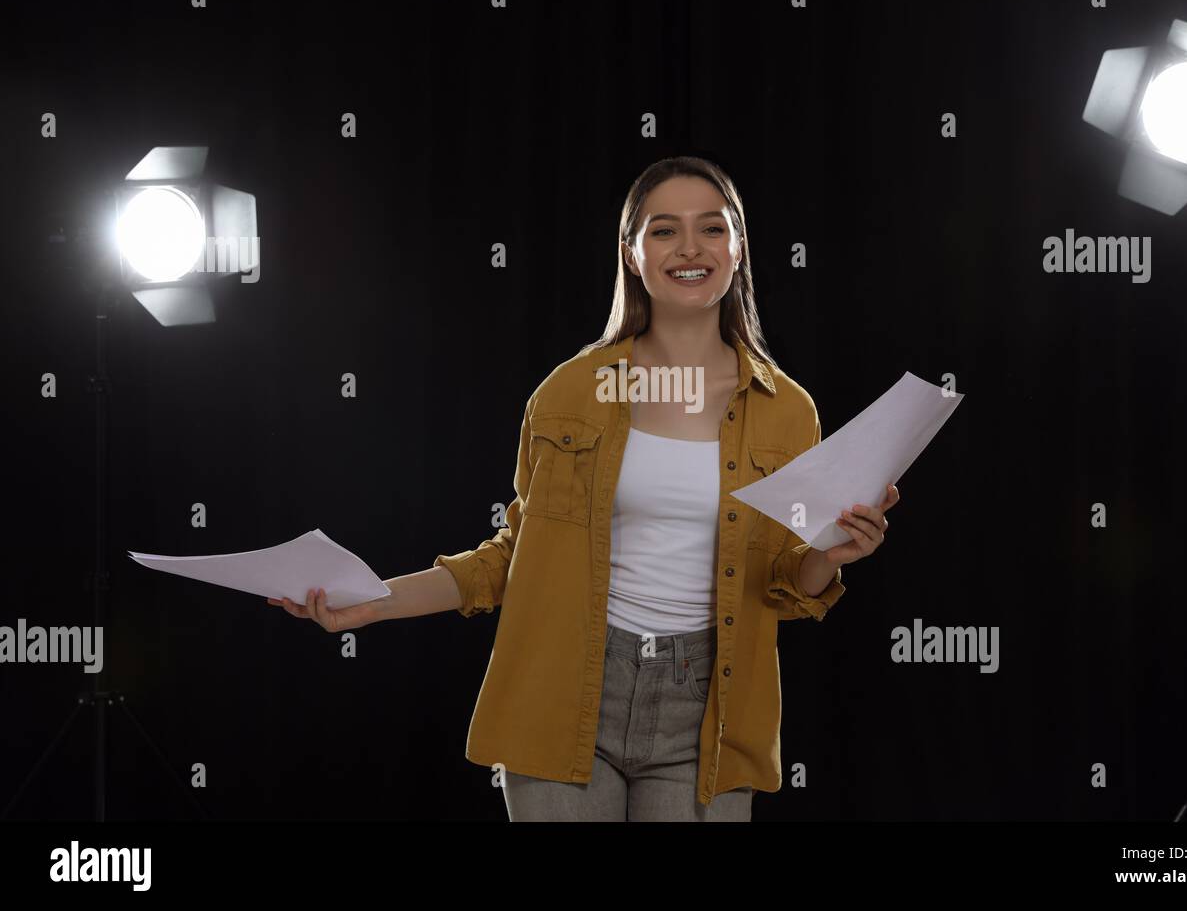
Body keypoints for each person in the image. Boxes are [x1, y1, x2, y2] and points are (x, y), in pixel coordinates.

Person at [269, 156, 900, 821]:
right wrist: (373, 604)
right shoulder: (572, 390)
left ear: (738, 249)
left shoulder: (787, 410)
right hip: (563, 689)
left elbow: (781, 582)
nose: (690, 248)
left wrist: (831, 553)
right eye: (664, 231)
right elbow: (513, 558)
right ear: (631, 253)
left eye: (712, 229)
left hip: (707, 711)